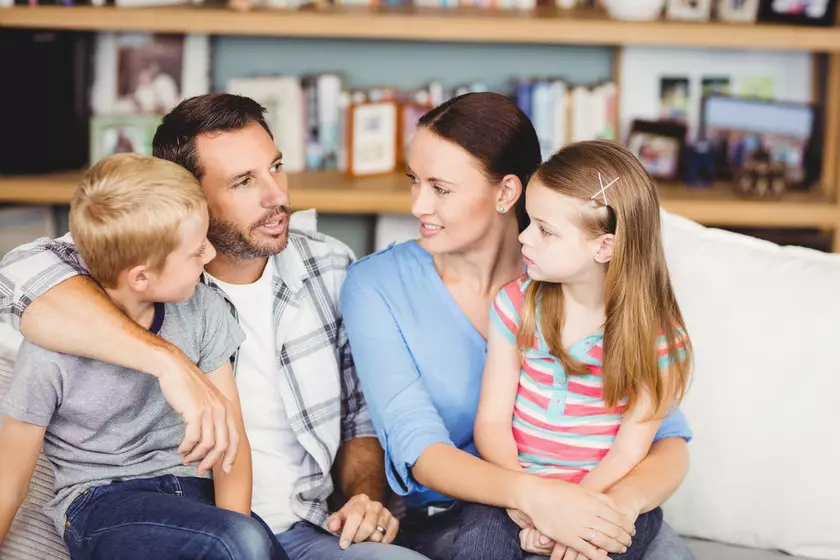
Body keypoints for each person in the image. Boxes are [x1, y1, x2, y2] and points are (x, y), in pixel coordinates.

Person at [0, 94, 424, 560]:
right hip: (154, 516)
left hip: (298, 525)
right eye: (244, 182)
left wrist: (367, 497)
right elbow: (18, 277)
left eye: (276, 167)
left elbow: (356, 418)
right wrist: (167, 363)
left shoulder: (329, 266)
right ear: (186, 196)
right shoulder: (129, 260)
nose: (277, 196)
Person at [339, 92, 696, 560]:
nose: (417, 206)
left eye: (440, 188)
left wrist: (605, 511)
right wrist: (537, 501)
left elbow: (664, 441)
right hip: (466, 514)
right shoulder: (375, 285)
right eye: (414, 181)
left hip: (602, 504)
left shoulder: (572, 276)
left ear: (507, 192)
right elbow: (420, 451)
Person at [0, 154, 286, 560]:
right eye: (193, 251)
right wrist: (237, 539)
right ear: (141, 276)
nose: (208, 255)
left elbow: (230, 446)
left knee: (248, 543)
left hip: (197, 499)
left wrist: (238, 528)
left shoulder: (203, 310)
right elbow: (8, 481)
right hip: (101, 505)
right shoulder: (49, 347)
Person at [468, 139, 693, 559]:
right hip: (520, 487)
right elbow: (492, 421)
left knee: (601, 546)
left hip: (604, 494)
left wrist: (574, 513)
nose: (523, 237)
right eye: (529, 221)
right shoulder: (516, 305)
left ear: (604, 246)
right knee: (479, 543)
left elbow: (631, 449)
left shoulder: (659, 339)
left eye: (545, 230)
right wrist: (528, 503)